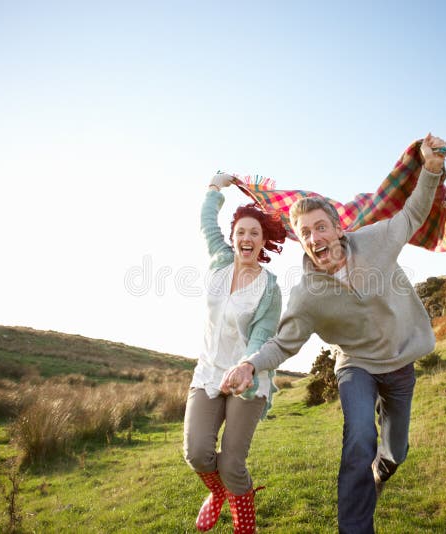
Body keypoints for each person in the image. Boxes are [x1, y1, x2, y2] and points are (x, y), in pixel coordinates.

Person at [220, 133, 446, 533]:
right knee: (359, 435)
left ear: (338, 229)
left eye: (320, 227)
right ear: (301, 241)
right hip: (356, 365)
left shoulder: (376, 242)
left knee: (395, 452)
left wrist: (431, 169)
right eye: (305, 233)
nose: (315, 238)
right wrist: (249, 365)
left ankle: (382, 469)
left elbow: (413, 214)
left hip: (399, 363)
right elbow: (283, 343)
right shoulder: (308, 294)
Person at [183, 172, 287, 534]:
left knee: (231, 464)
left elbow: (262, 334)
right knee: (197, 452)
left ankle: (245, 526)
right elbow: (205, 221)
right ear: (232, 238)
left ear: (263, 242)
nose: (246, 238)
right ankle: (218, 494)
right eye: (240, 232)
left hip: (248, 379)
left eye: (254, 233)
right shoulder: (219, 260)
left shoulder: (269, 288)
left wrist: (246, 366)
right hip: (209, 372)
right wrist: (214, 188)